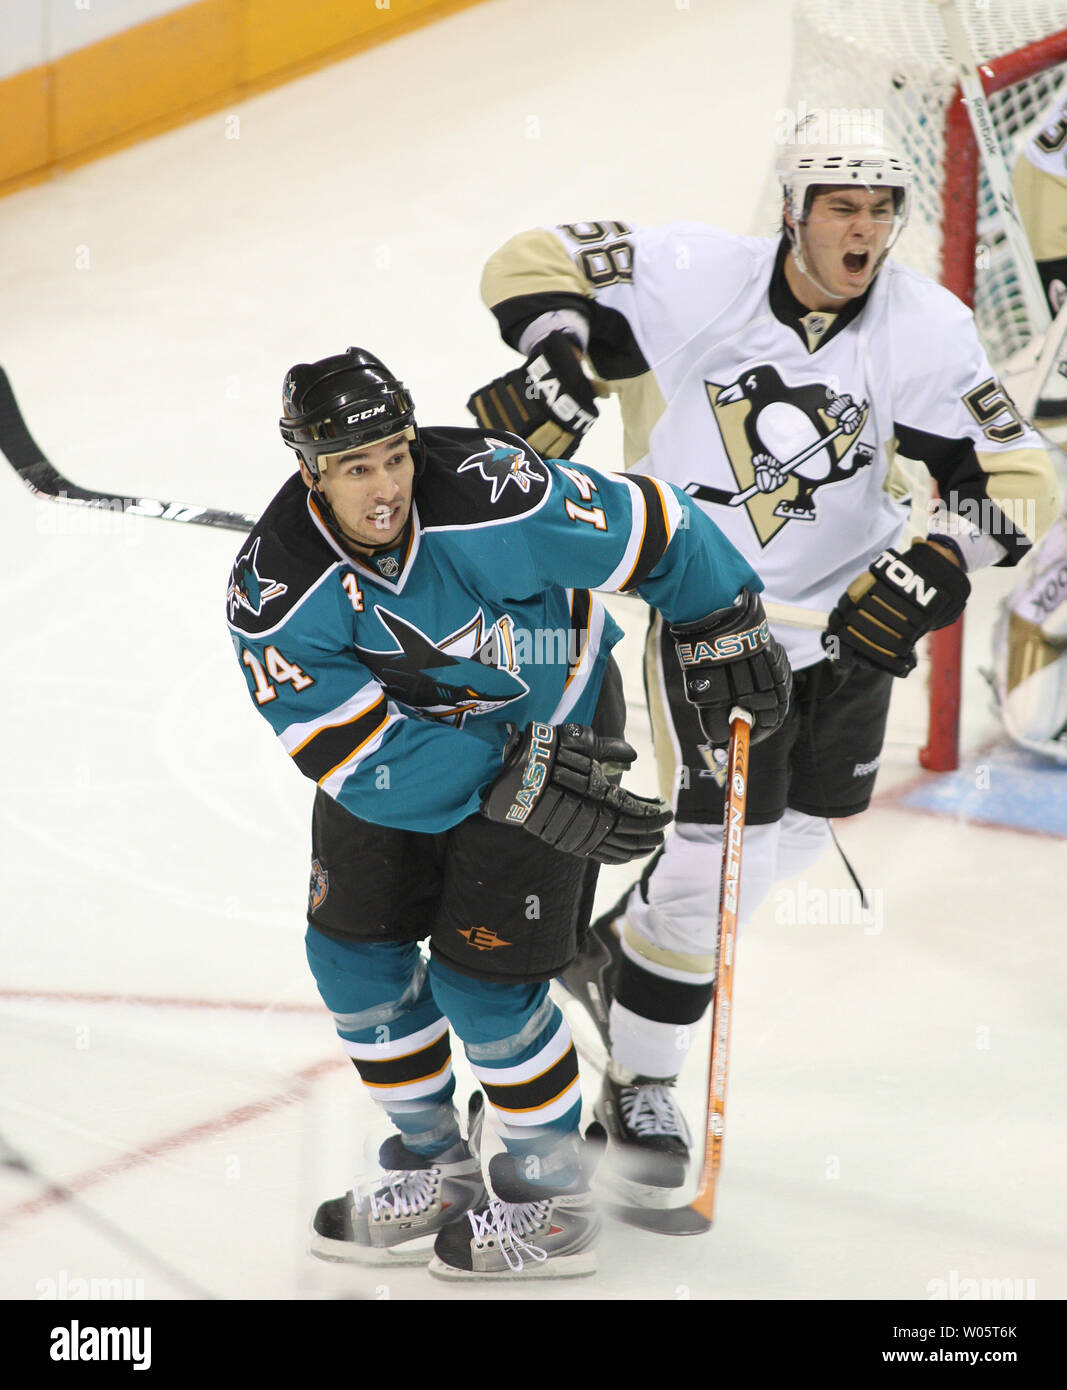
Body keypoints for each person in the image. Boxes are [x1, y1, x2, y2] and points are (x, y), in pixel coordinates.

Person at [468, 138, 1060, 1207]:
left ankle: (619, 957)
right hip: (708, 613)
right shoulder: (695, 275)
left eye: (881, 207)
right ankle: (642, 1084)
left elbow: (1019, 476)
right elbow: (528, 258)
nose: (864, 230)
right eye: (841, 205)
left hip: (849, 624)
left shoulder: (921, 327)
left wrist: (936, 562)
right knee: (710, 865)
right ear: (793, 210)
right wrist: (555, 356)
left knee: (795, 835)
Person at [226, 347, 789, 1277]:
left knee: (482, 985)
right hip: (398, 763)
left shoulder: (500, 492)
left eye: (395, 457)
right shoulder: (274, 592)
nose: (385, 488)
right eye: (356, 468)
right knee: (350, 958)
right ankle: (437, 1167)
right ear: (310, 474)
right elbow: (342, 747)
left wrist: (719, 615)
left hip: (559, 732)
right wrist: (501, 774)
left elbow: (653, 526)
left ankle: (552, 1199)